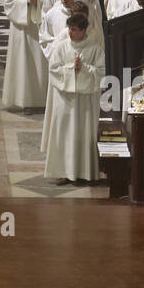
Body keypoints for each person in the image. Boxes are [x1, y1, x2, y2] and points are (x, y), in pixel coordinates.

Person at [43, 11, 105, 185]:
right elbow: (54, 70)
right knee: (64, 134)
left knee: (85, 134)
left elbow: (102, 72)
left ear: (84, 30)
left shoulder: (94, 49)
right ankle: (63, 172)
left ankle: (84, 171)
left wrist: (84, 69)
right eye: (69, 28)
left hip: (86, 101)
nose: (71, 32)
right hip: (65, 99)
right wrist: (72, 69)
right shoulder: (61, 47)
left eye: (75, 29)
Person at [2, 0, 49, 110]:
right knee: (21, 64)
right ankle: (22, 100)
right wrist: (26, 2)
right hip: (20, 30)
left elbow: (51, 7)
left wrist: (38, 2)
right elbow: (9, 3)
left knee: (38, 65)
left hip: (37, 31)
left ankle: (39, 101)